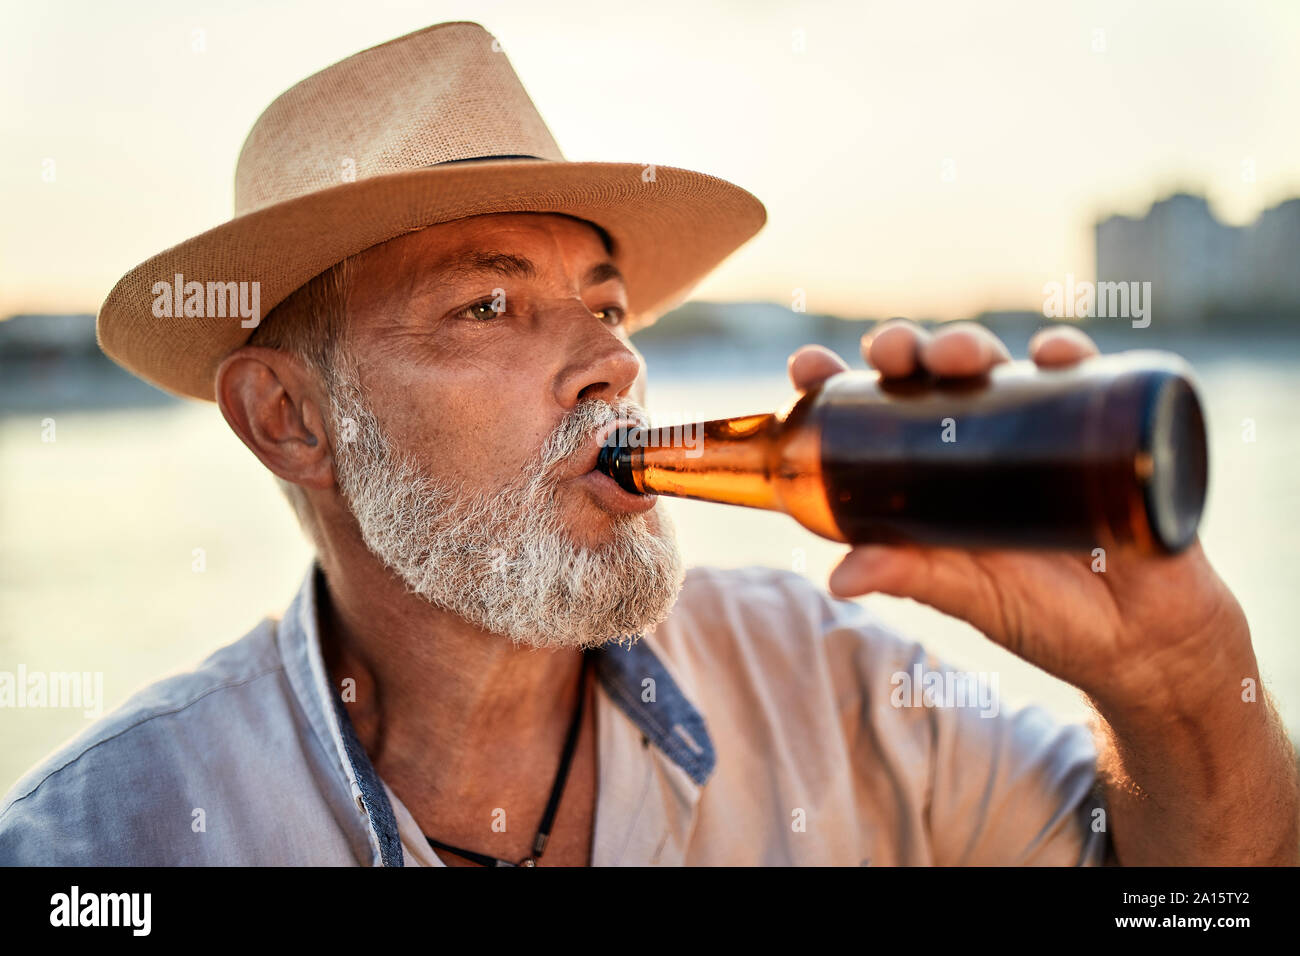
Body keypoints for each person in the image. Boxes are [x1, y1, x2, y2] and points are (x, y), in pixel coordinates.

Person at [1, 21, 1295, 866]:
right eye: (489, 304)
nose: (614, 362)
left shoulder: (826, 686)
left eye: (607, 304)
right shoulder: (101, 846)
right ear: (289, 421)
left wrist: (1178, 683)